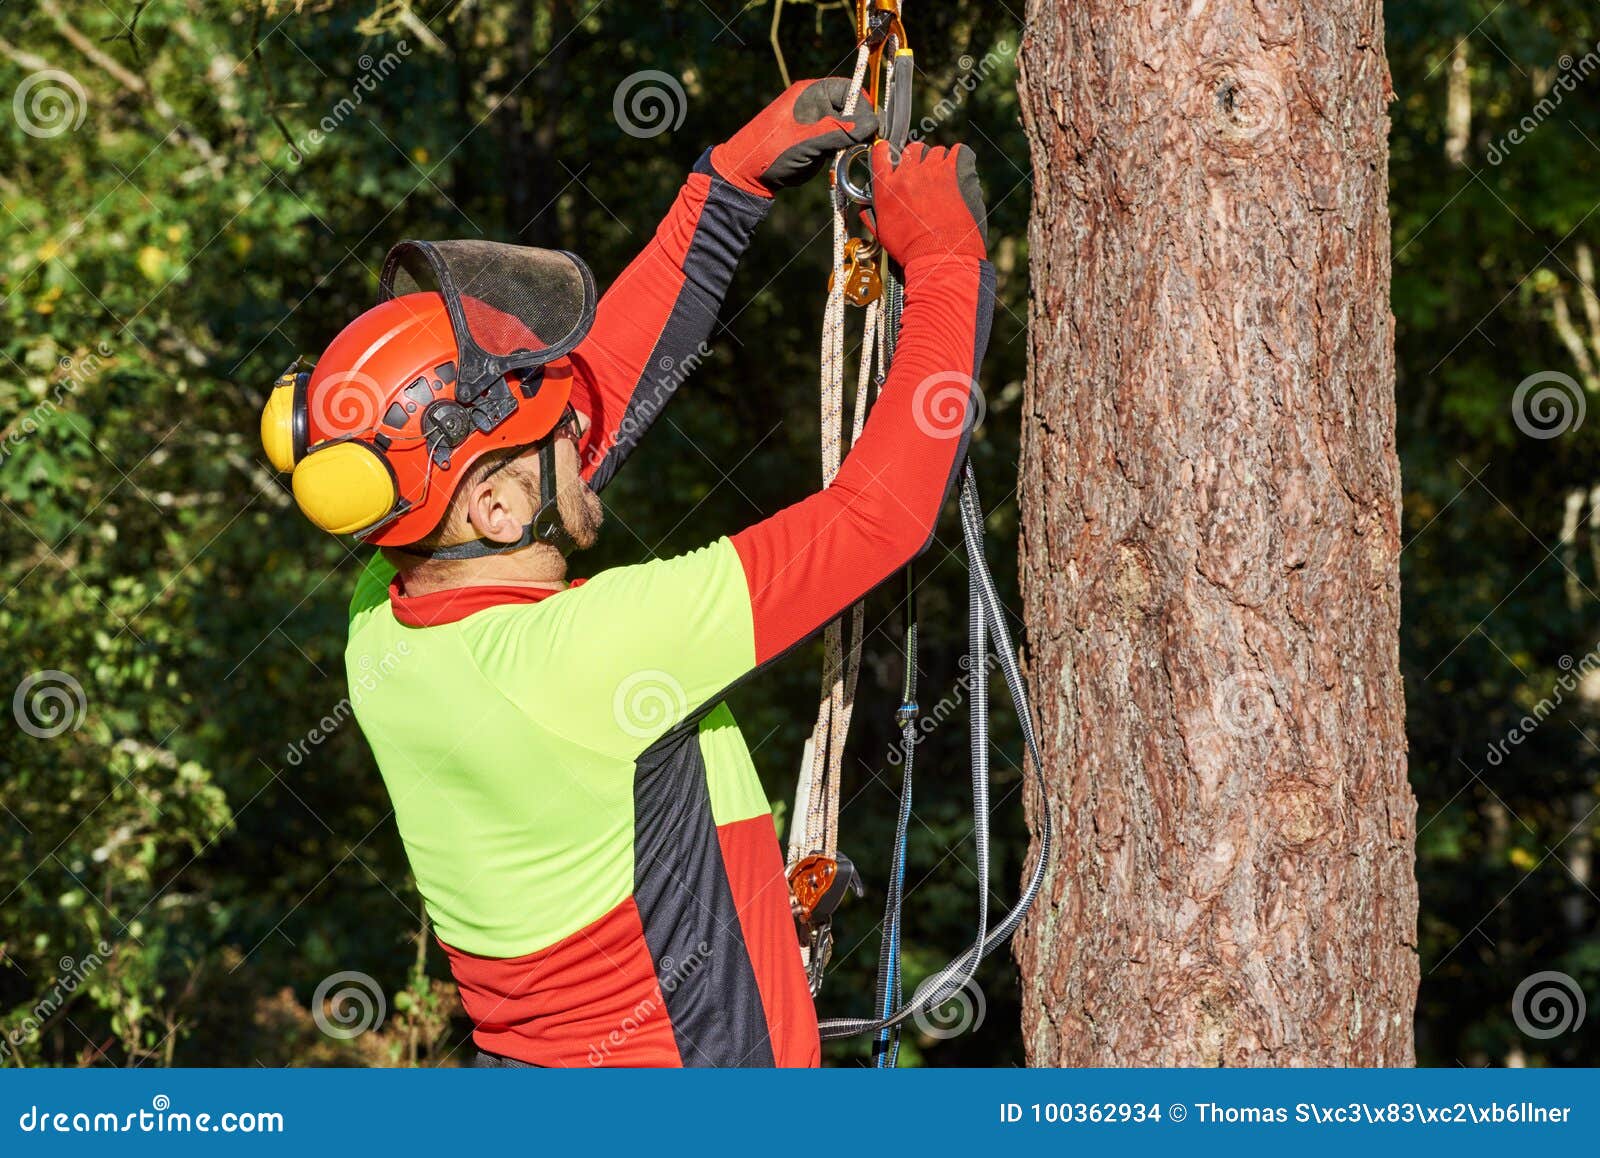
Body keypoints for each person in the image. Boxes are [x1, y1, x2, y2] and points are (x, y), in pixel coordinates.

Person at [259, 77, 993, 1068]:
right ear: (497, 509)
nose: (585, 430)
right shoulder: (596, 650)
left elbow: (607, 386)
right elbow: (878, 518)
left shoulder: (381, 619)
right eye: (557, 431)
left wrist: (728, 185)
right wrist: (947, 265)